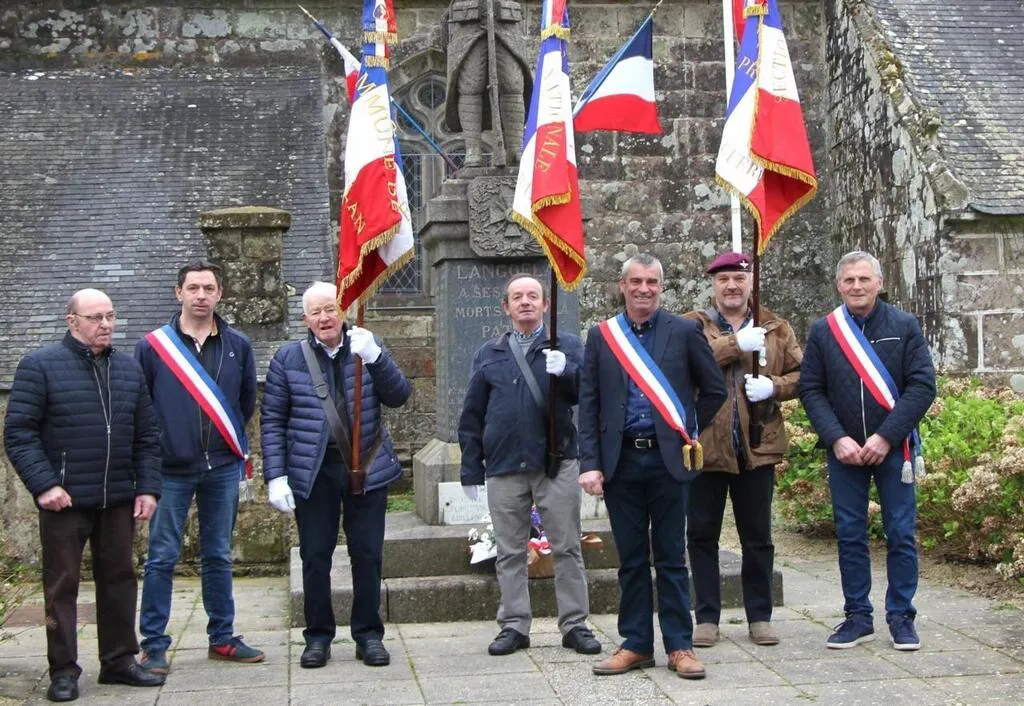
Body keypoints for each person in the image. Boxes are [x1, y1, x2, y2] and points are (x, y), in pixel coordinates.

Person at [3, 289, 165, 702]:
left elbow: (147, 436)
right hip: (65, 501)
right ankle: (63, 671)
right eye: (95, 317)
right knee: (62, 586)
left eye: (110, 316)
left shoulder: (129, 370)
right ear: (72, 322)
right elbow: (19, 433)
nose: (106, 324)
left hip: (117, 498)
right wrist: (44, 485)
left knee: (120, 580)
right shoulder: (39, 367)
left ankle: (120, 661)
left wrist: (147, 487)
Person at [578, 254, 727, 680]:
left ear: (662, 287)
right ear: (622, 285)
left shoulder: (683, 331)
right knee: (630, 559)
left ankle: (680, 646)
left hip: (669, 460)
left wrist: (687, 426)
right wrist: (590, 463)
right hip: (621, 461)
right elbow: (589, 404)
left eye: (652, 282)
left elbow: (714, 388)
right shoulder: (602, 336)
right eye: (636, 282)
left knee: (671, 557)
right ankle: (636, 643)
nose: (644, 289)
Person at [261, 282, 410, 669]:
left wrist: (376, 358)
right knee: (314, 556)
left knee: (367, 554)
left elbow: (398, 396)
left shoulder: (366, 344)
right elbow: (273, 420)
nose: (325, 318)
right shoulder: (287, 358)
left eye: (331, 309)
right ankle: (318, 637)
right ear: (305, 318)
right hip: (313, 471)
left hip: (366, 468)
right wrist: (275, 475)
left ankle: (368, 635)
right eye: (316, 312)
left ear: (341, 310)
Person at [800, 250, 936, 651]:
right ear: (838, 285)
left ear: (879, 282)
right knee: (850, 535)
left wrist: (886, 437)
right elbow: (811, 388)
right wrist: (836, 437)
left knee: (899, 532)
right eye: (849, 281)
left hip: (893, 449)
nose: (856, 287)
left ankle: (901, 616)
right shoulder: (824, 331)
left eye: (864, 279)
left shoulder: (904, 325)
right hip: (844, 451)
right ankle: (858, 616)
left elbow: (922, 386)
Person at [458, 273, 599, 657]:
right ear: (506, 307)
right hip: (504, 464)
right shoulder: (489, 353)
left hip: (556, 462)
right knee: (509, 551)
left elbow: (589, 395)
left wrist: (566, 371)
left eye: (533, 296)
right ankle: (515, 625)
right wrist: (471, 466)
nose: (525, 302)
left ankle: (574, 624)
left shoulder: (566, 345)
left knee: (567, 547)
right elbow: (473, 412)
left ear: (545, 305)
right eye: (517, 297)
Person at [134, 261, 262, 673]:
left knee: (219, 555)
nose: (201, 295)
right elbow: (142, 408)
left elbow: (244, 404)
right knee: (161, 557)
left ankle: (222, 638)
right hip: (170, 469)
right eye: (193, 288)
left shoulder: (238, 344)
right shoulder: (154, 347)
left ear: (220, 294)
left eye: (209, 288)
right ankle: (153, 645)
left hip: (222, 465)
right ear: (179, 293)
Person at [683, 251, 803, 648]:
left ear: (750, 283)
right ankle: (706, 618)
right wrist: (736, 345)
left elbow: (802, 374)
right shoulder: (692, 326)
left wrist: (775, 387)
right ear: (713, 286)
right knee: (701, 535)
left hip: (758, 444)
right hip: (705, 447)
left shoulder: (776, 327)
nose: (731, 286)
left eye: (738, 278)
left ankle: (759, 616)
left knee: (758, 537)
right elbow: (685, 365)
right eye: (723, 280)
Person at [442, 0, 532, 166]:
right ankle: (473, 151)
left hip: (506, 20)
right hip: (468, 20)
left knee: (513, 84)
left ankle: (514, 150)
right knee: (470, 85)